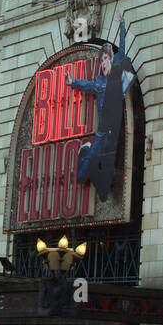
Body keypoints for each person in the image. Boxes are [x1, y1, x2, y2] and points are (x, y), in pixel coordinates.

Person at [64, 13, 135, 202]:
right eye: (101, 60)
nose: (104, 63)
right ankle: (85, 152)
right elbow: (87, 85)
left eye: (106, 59)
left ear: (111, 59)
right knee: (80, 176)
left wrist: (121, 25)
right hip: (102, 133)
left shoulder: (118, 70)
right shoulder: (99, 82)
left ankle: (104, 180)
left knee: (104, 191)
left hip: (114, 135)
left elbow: (123, 51)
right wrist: (73, 82)